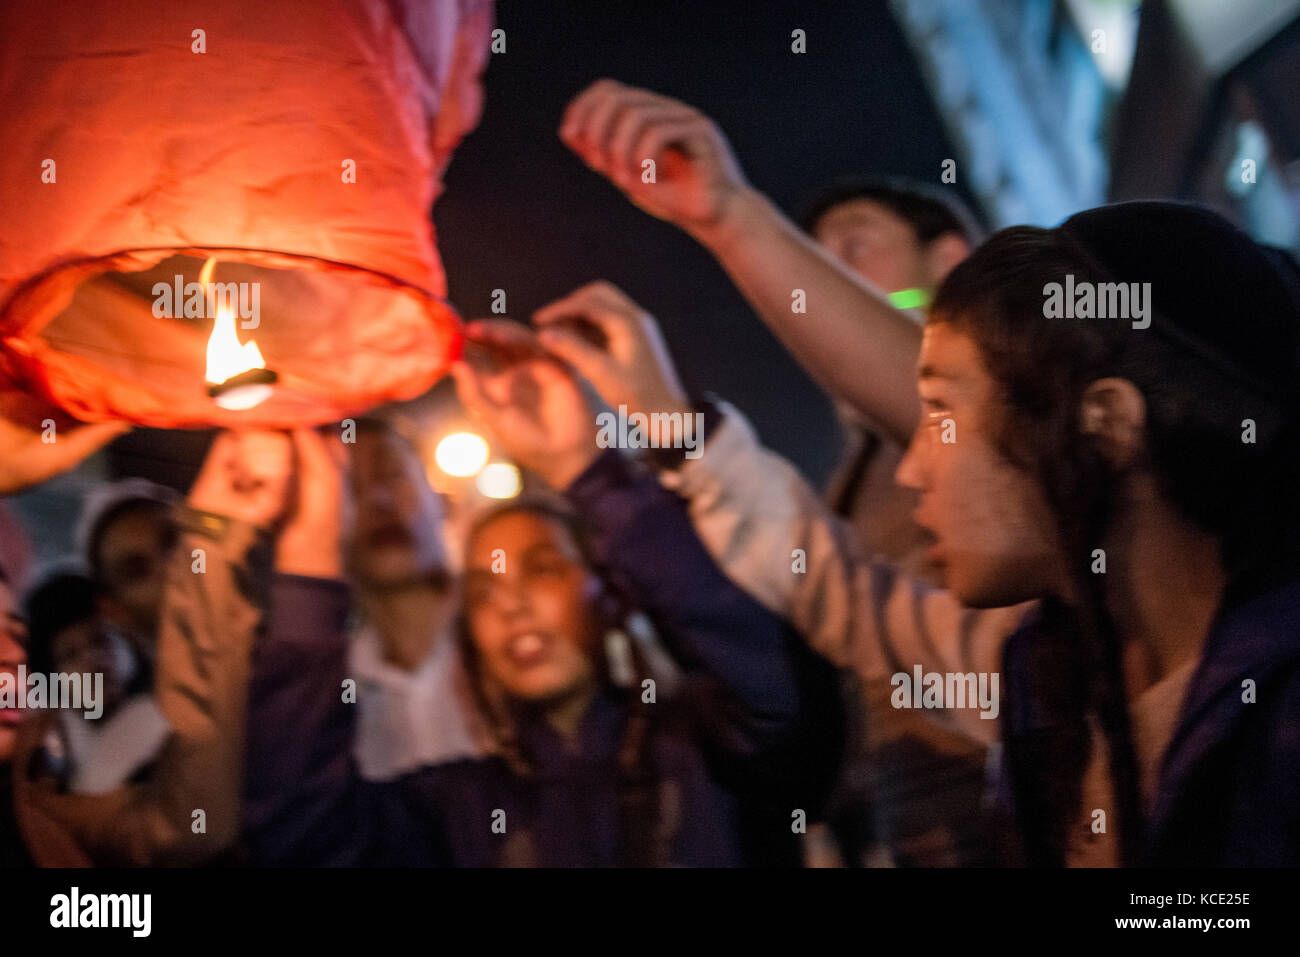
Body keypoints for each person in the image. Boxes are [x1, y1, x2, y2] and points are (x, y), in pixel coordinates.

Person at [243, 336, 842, 867]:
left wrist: (590, 473)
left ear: (608, 593)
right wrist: (309, 565)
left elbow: (770, 676)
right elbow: (303, 829)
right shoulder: (459, 809)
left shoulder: (713, 747)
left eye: (543, 571)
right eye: (482, 591)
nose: (512, 607)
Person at [13, 430, 300, 866]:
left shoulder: (300, 655)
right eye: (135, 569)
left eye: (173, 543)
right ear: (114, 610)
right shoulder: (122, 758)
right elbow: (191, 830)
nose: (169, 570)